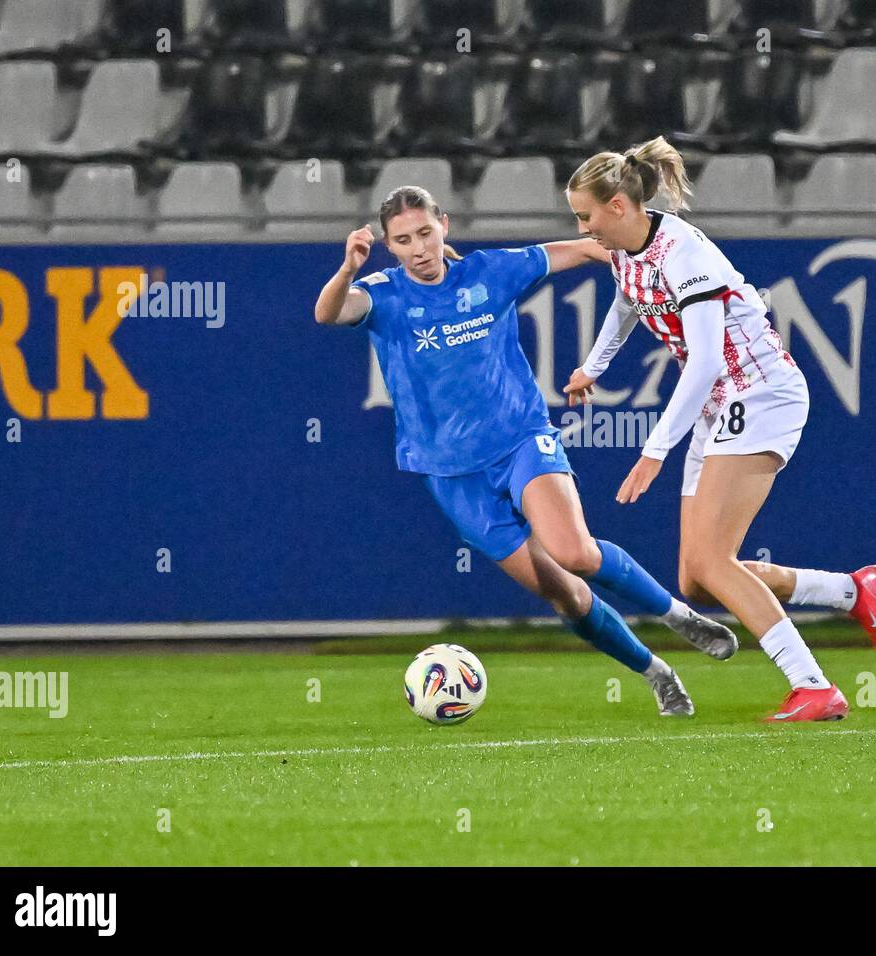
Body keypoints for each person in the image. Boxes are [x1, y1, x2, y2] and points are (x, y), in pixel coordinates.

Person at [315, 184, 740, 717]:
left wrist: (658, 260)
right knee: (566, 595)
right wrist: (347, 269)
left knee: (575, 552)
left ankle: (679, 616)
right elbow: (328, 313)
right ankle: (657, 672)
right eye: (403, 240)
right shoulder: (385, 294)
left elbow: (588, 248)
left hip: (521, 441)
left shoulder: (491, 272)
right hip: (451, 475)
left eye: (425, 232)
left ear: (444, 224)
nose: (419, 248)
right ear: (388, 246)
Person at [562, 137, 876, 723]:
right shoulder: (624, 248)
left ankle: (812, 684)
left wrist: (654, 451)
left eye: (585, 215)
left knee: (717, 561)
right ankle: (850, 591)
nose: (582, 228)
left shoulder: (684, 253)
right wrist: (595, 365)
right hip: (723, 403)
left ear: (618, 206)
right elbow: (627, 303)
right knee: (697, 576)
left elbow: (708, 359)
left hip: (758, 391)